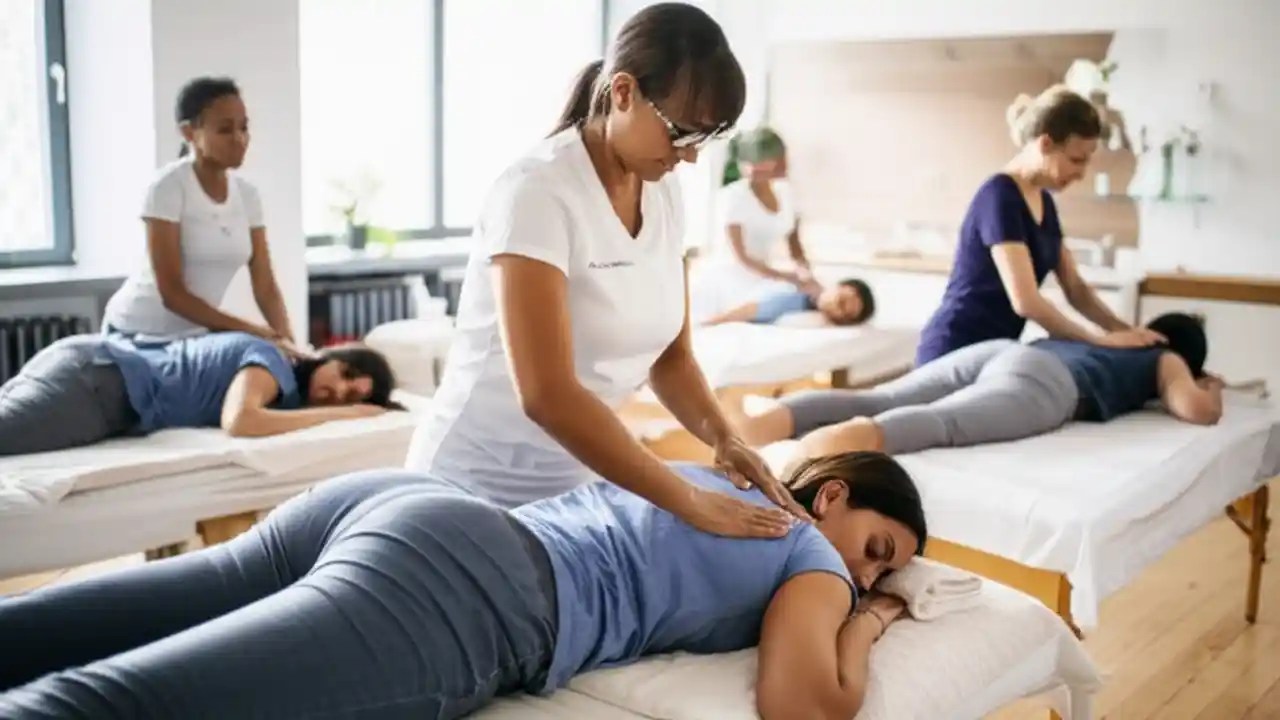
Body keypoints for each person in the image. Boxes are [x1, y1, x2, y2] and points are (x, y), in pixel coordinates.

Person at [0, 451, 926, 720]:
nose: (868, 572)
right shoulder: (809, 555)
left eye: (885, 572)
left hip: (397, 503)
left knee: (51, 630)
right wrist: (871, 621)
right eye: (878, 547)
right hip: (469, 589)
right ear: (831, 496)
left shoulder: (715, 476)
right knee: (113, 708)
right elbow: (802, 705)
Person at [405, 3, 807, 536]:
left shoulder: (664, 193)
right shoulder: (538, 192)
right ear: (623, 92)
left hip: (576, 482)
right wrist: (687, 499)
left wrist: (724, 436)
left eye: (703, 140)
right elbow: (546, 394)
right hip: (470, 485)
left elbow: (672, 358)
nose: (689, 157)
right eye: (681, 133)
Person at [730, 313, 1222, 458]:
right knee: (946, 423)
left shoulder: (1116, 340)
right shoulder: (1163, 356)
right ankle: (834, 444)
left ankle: (761, 426)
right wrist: (1209, 387)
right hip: (1050, 383)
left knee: (883, 396)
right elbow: (1196, 409)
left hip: (1005, 350)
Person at [915, 85, 1163, 366]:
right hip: (953, 348)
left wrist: (1125, 331)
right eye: (1076, 160)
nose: (1081, 173)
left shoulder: (1045, 203)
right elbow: (1026, 301)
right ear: (1045, 144)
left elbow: (1075, 288)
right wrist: (1098, 341)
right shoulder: (1000, 195)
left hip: (991, 354)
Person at [102, 76, 302, 353]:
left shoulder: (248, 196)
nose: (239, 139)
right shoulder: (167, 188)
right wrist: (252, 331)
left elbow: (265, 286)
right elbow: (172, 293)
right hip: (137, 333)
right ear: (189, 133)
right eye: (225, 130)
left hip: (195, 335)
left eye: (244, 127)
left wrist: (289, 343)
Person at [0, 332, 399, 456]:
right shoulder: (274, 364)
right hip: (102, 383)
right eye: (345, 374)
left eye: (352, 396)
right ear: (329, 356)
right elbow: (240, 421)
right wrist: (345, 414)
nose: (338, 391)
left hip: (94, 369)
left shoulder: (286, 390)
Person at [692, 126, 817, 323]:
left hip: (762, 276)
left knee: (804, 296)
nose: (753, 167)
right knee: (783, 296)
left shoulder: (786, 193)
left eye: (763, 160)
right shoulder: (733, 197)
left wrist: (806, 274)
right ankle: (717, 319)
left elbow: (796, 248)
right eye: (749, 161)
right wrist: (786, 277)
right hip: (728, 277)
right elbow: (742, 257)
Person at [702, 277, 876, 327]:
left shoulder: (813, 318)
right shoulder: (797, 293)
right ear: (839, 286)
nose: (837, 311)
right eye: (841, 301)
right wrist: (710, 323)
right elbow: (749, 309)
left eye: (845, 316)